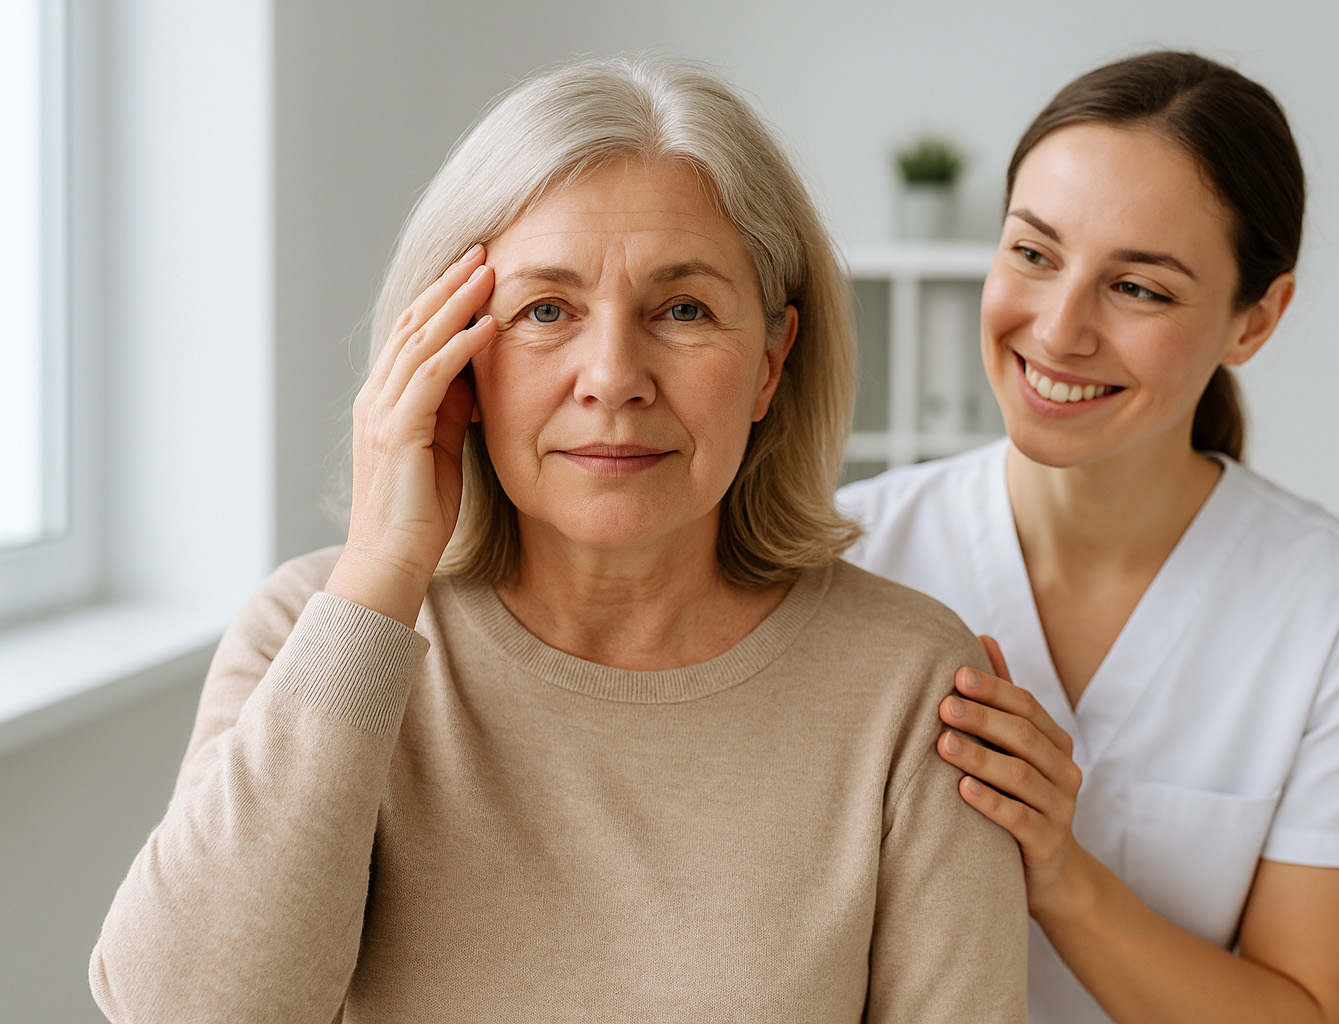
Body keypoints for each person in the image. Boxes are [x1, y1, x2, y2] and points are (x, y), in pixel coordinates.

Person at [89, 57, 1030, 1023]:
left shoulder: (914, 686)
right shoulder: (313, 631)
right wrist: (380, 569)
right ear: (450, 355)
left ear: (770, 364)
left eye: (684, 309)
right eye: (546, 311)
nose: (613, 376)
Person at [840, 51, 1339, 1024]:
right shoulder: (854, 550)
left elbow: (1300, 1010)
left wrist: (1061, 869)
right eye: (1033, 254)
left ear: (1256, 320)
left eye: (1141, 289)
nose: (1060, 328)